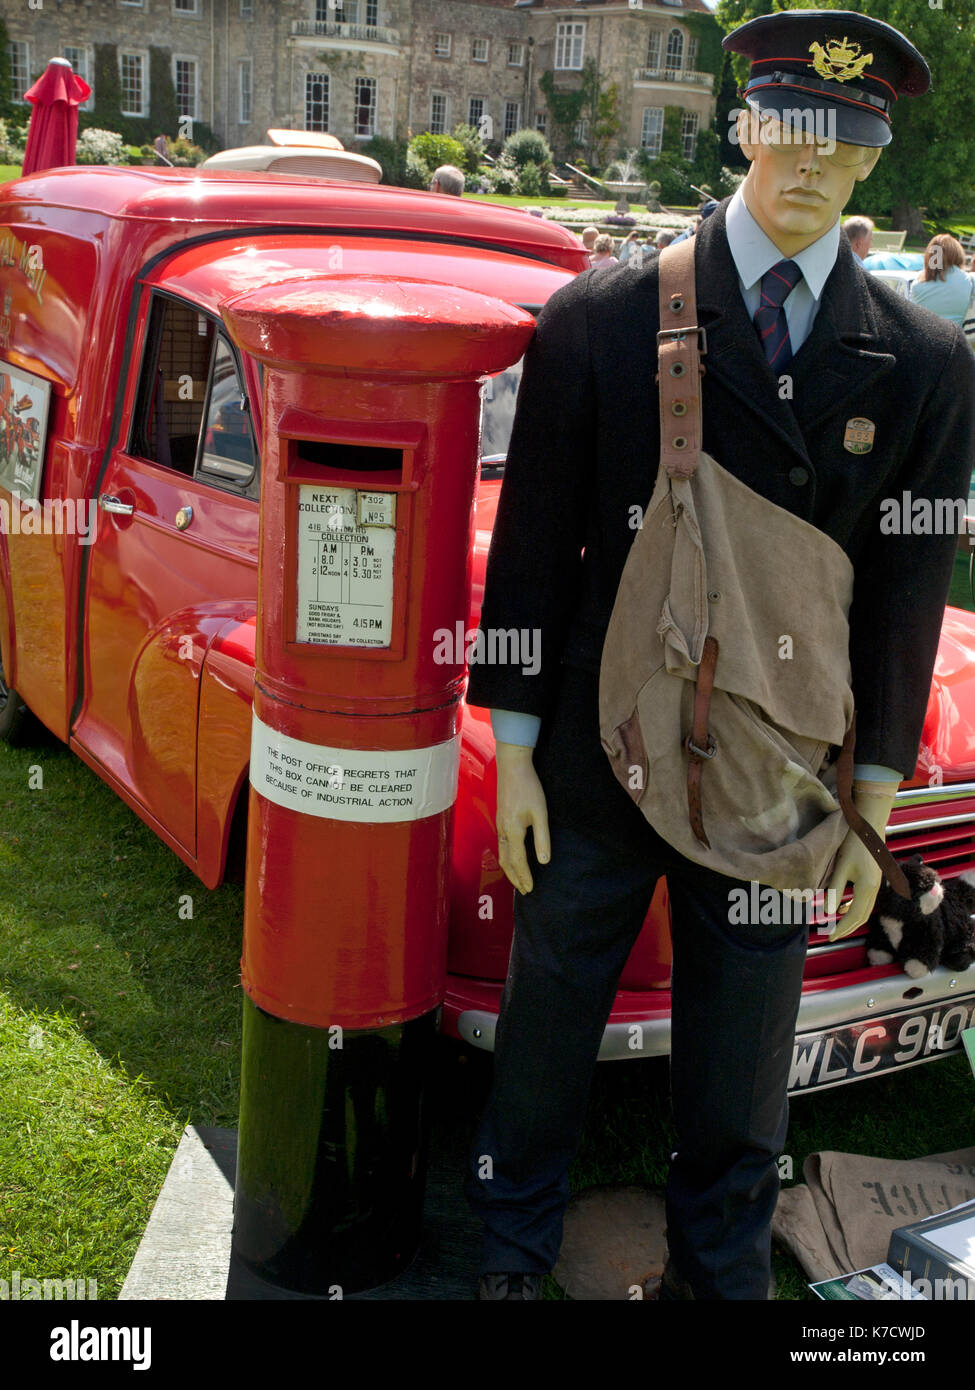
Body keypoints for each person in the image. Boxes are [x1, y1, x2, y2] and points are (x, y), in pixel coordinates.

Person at [465, 8, 975, 1301]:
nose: (806, 162)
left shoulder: (920, 366)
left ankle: (719, 1281)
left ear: (869, 161)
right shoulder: (602, 315)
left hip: (771, 772)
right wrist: (513, 753)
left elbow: (902, 596)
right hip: (596, 747)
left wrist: (867, 807)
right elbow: (529, 551)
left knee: (741, 1078)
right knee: (542, 1041)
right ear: (743, 123)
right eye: (786, 127)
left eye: (840, 139)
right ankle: (511, 1257)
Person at [910, 233, 975, 329]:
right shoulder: (969, 281)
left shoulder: (917, 284)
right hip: (957, 339)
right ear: (956, 253)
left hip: (926, 339)